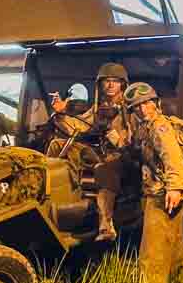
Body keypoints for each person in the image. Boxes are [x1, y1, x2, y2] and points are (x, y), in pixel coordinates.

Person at [123, 81, 183, 283]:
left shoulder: (159, 127)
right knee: (175, 248)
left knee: (152, 255)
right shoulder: (145, 129)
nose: (143, 109)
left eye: (147, 104)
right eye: (137, 107)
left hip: (163, 195)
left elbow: (171, 156)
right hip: (161, 193)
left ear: (156, 103)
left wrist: (174, 188)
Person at [52, 62, 131, 241]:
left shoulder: (130, 109)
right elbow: (76, 127)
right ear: (100, 85)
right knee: (58, 144)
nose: (110, 85)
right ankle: (52, 193)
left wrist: (110, 132)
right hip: (100, 154)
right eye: (106, 81)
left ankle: (106, 225)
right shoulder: (98, 109)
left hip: (123, 158)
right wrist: (61, 113)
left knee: (105, 169)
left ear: (122, 85)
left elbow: (131, 143)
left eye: (115, 81)